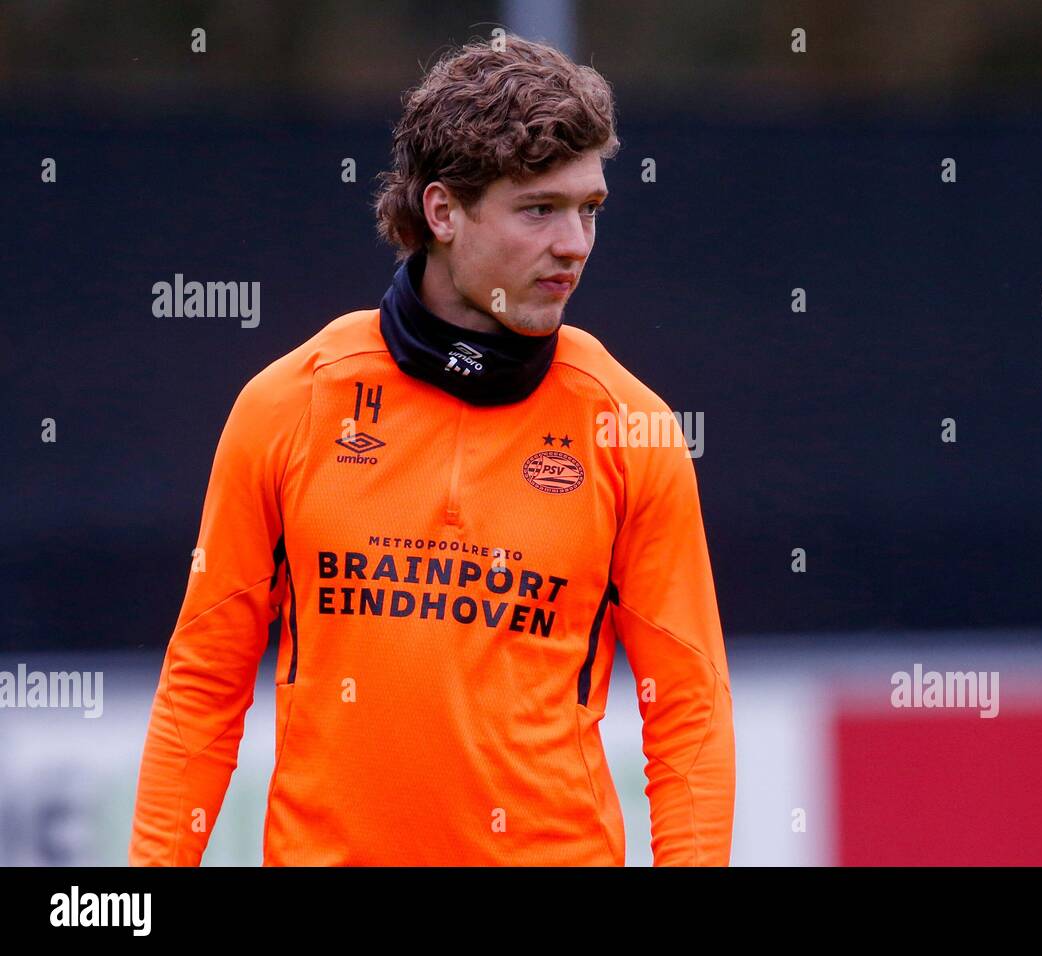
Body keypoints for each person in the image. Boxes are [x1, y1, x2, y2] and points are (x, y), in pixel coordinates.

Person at [128, 34, 735, 866]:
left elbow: (690, 710)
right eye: (538, 209)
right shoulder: (289, 403)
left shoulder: (631, 426)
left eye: (588, 208)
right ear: (442, 212)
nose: (576, 245)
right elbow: (203, 684)